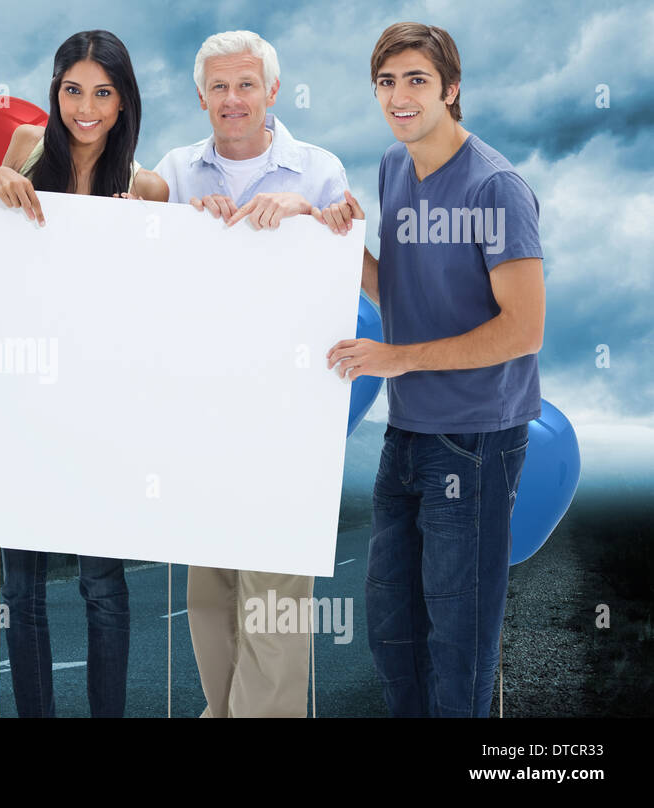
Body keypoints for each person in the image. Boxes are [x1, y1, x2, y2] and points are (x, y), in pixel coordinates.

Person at [318, 23, 543, 718]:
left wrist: (398, 358)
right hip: (407, 435)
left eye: (416, 80)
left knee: (459, 646)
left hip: (475, 443)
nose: (399, 96)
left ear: (451, 89)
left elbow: (523, 328)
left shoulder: (496, 187)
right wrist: (346, 246)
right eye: (386, 82)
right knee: (392, 633)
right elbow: (405, 296)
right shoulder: (393, 166)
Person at [152, 30, 351, 717]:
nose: (232, 100)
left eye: (246, 85)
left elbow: (346, 269)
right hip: (202, 413)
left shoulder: (318, 170)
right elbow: (129, 246)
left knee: (273, 600)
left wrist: (307, 215)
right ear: (200, 95)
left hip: (286, 416)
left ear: (271, 91)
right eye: (218, 87)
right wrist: (180, 223)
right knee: (209, 599)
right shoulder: (177, 170)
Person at [0, 29, 168, 717]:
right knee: (21, 591)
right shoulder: (25, 151)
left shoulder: (147, 187)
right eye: (72, 89)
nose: (84, 107)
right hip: (24, 400)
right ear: (54, 91)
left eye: (102, 92)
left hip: (101, 410)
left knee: (101, 587)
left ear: (123, 103)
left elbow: (160, 309)